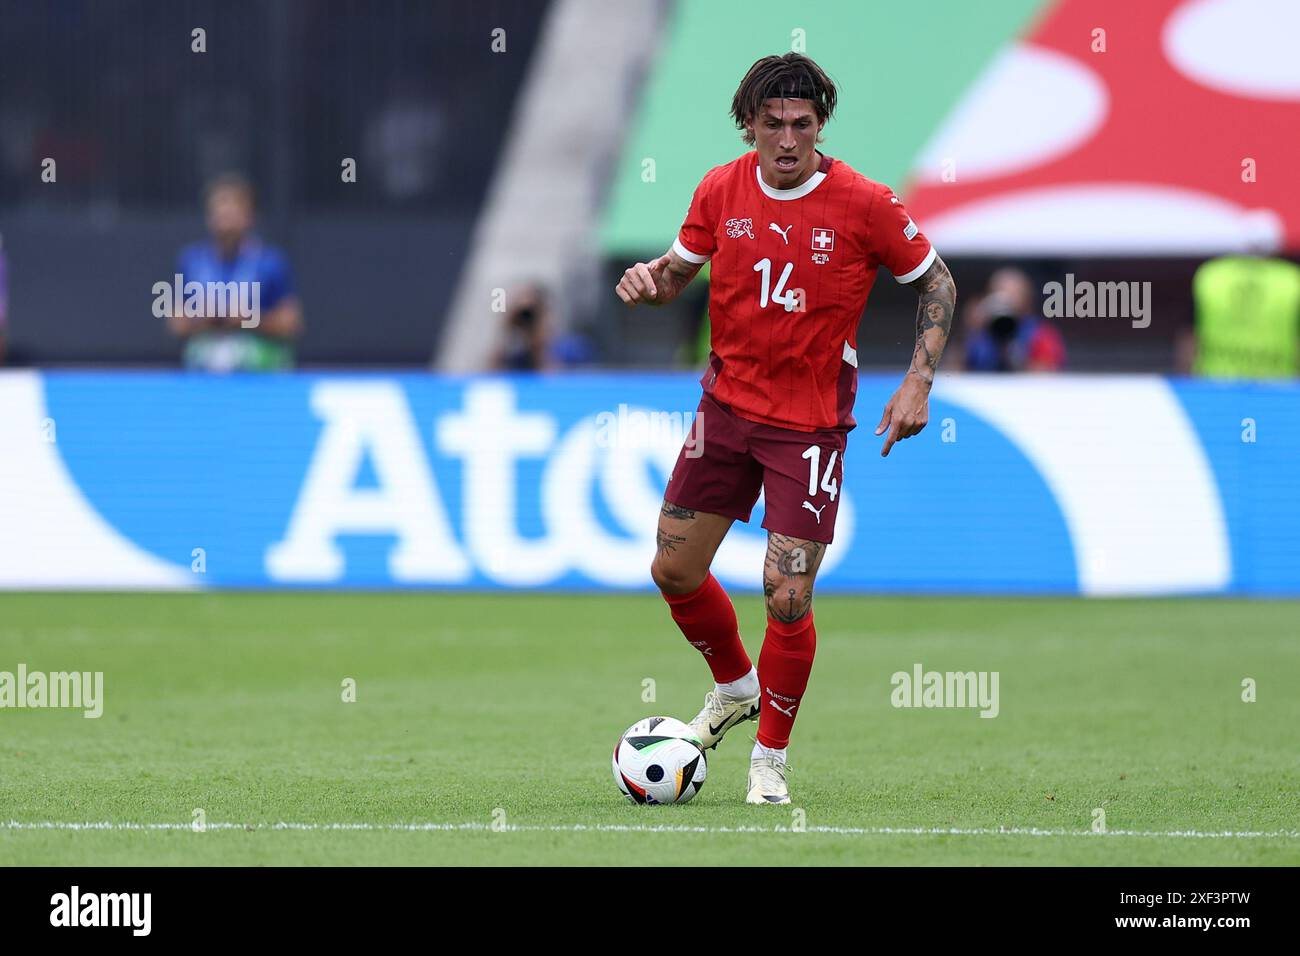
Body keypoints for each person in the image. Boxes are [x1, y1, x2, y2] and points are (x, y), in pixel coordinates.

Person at [614, 53, 956, 805]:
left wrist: (917, 380)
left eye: (803, 125)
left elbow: (937, 280)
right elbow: (679, 271)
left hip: (809, 424)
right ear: (750, 127)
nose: (790, 140)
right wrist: (649, 282)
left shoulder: (864, 203)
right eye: (774, 125)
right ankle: (735, 686)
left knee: (787, 594)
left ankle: (769, 754)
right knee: (672, 571)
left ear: (820, 126)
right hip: (725, 411)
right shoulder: (719, 187)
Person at [169, 174, 303, 372]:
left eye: (234, 209)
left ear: (250, 216)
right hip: (207, 353)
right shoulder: (191, 260)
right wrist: (206, 317)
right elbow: (176, 324)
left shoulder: (270, 262)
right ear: (209, 216)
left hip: (256, 354)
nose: (226, 216)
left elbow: (291, 323)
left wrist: (248, 319)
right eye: (220, 208)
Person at [1177, 213, 1300, 379]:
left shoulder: (1212, 276)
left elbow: (1190, 337)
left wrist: (1186, 382)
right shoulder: (1291, 280)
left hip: (1215, 385)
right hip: (1276, 388)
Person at [962, 267, 1065, 372]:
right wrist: (969, 331)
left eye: (1013, 294)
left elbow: (1048, 377)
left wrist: (1015, 356)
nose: (1004, 300)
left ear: (1027, 299)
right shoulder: (980, 331)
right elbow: (953, 374)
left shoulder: (1041, 333)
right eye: (998, 293)